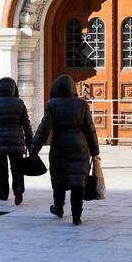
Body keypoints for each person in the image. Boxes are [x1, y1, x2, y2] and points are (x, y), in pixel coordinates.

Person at [30, 74, 100, 226]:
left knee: (58, 178)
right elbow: (90, 129)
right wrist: (95, 151)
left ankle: (59, 208)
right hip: (80, 147)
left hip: (60, 146)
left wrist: (34, 149)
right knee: (78, 181)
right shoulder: (82, 104)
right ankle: (76, 216)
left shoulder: (52, 104)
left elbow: (43, 130)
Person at [0, 77, 33, 204]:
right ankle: (18, 188)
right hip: (17, 139)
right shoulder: (20, 103)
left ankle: (3, 193)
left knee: (1, 169)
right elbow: (26, 125)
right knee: (17, 167)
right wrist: (29, 141)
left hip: (0, 140)